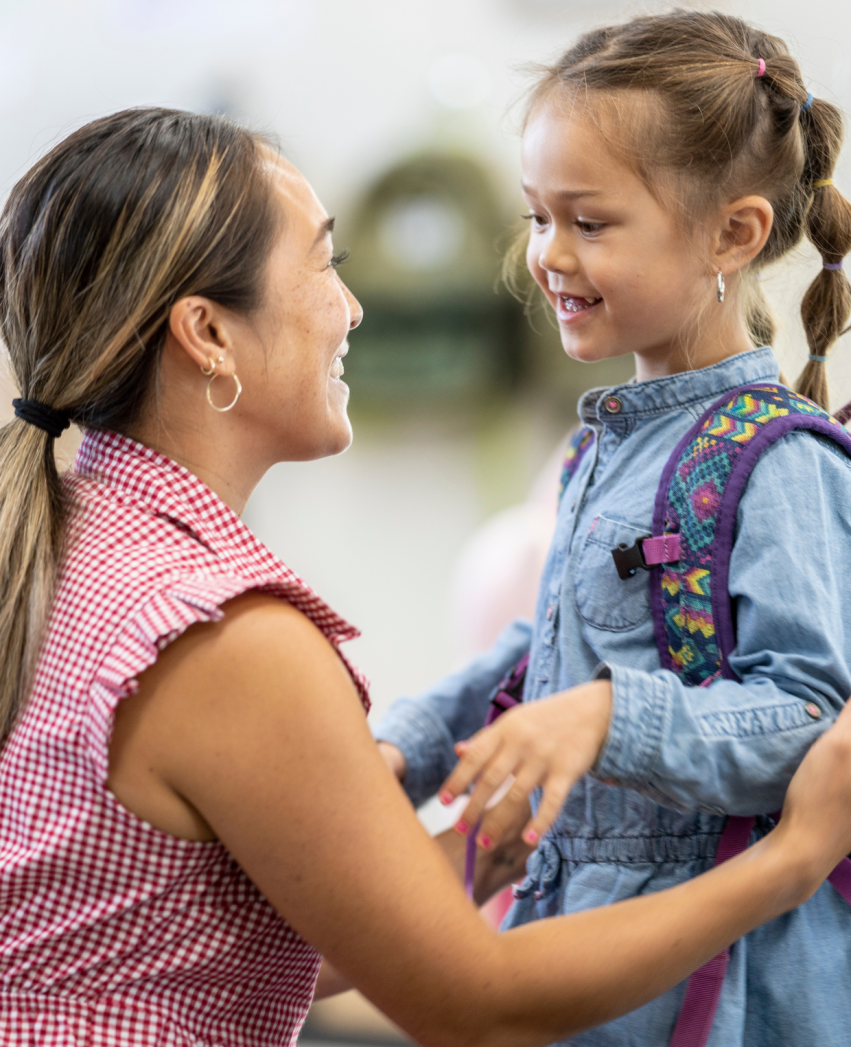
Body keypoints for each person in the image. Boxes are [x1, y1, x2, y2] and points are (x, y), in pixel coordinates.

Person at [0, 109, 850, 1047]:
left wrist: (461, 850)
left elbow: (192, 942)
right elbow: (476, 1002)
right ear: (206, 333)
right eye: (326, 265)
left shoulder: (71, 547)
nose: (353, 308)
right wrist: (796, 856)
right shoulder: (216, 633)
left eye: (591, 221)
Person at [373, 11, 851, 1046]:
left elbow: (808, 718)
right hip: (577, 918)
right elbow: (545, 646)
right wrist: (401, 748)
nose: (547, 255)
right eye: (536, 216)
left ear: (734, 234)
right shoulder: (606, 448)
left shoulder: (782, 463)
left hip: (717, 971)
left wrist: (602, 716)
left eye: (588, 223)